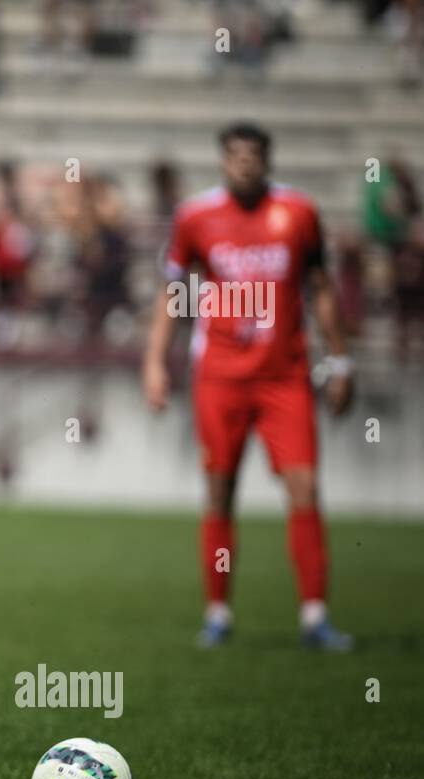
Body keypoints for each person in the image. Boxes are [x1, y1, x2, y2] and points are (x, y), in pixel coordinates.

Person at [143, 122, 354, 651]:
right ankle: (218, 613)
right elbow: (173, 293)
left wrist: (342, 360)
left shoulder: (299, 214)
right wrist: (154, 362)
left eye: (253, 155)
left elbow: (322, 288)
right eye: (234, 155)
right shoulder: (196, 217)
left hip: (286, 374)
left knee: (304, 486)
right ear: (222, 160)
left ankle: (314, 616)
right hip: (220, 376)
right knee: (220, 490)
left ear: (267, 160)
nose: (244, 163)